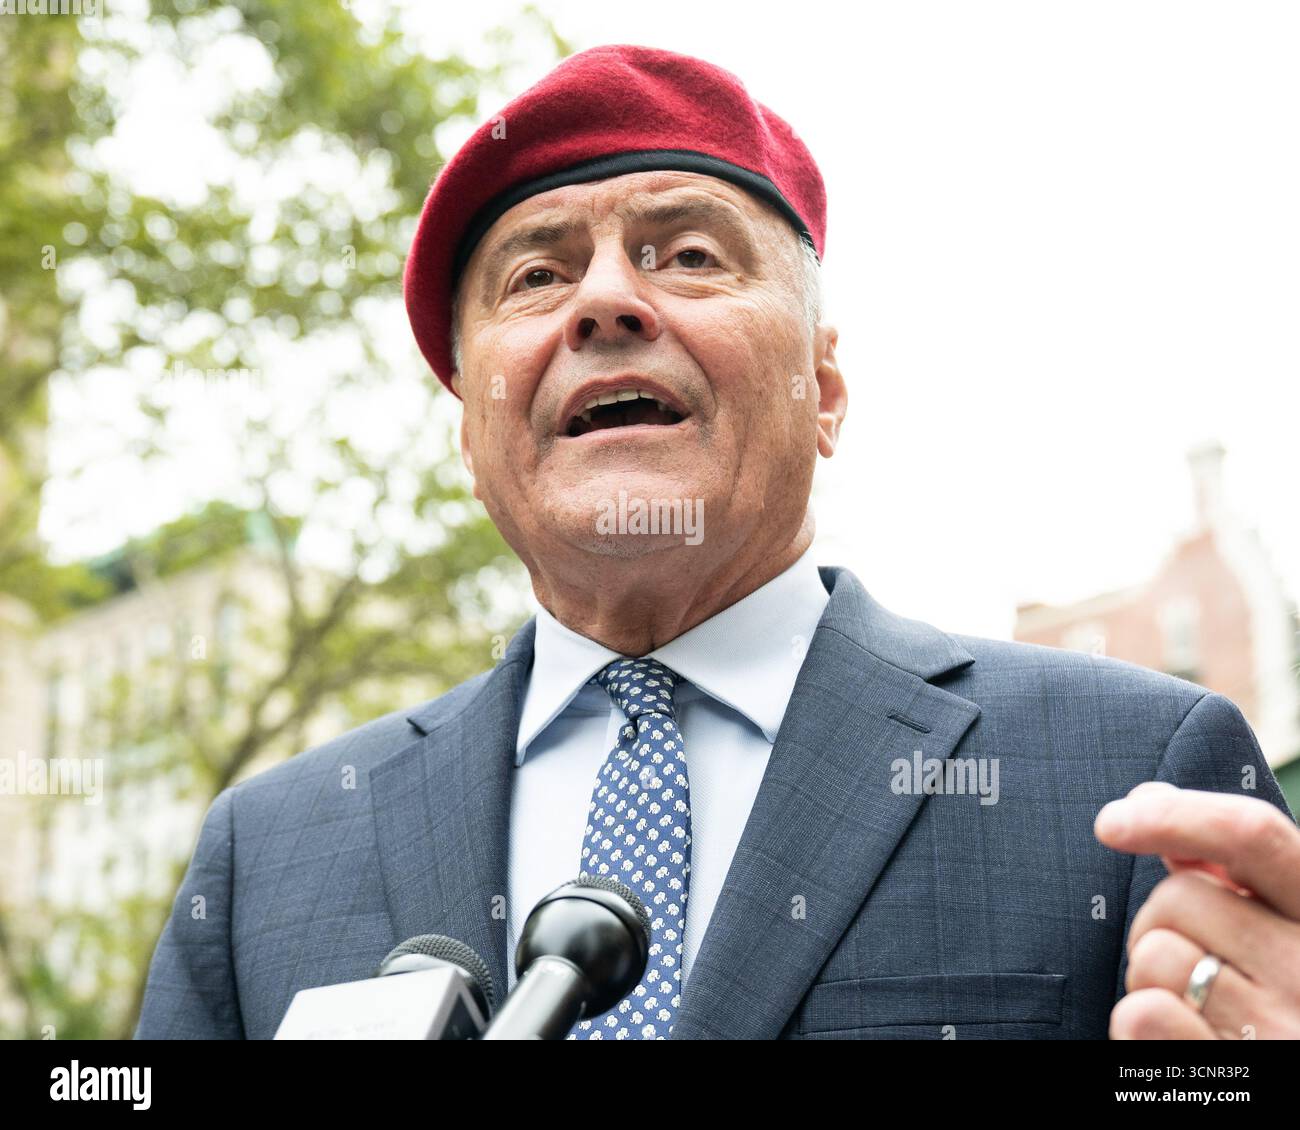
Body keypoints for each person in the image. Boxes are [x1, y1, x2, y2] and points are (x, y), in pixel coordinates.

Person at [136, 44, 1299, 1041]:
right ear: (471, 438)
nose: (604, 303)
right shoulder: (266, 856)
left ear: (826, 389)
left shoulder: (1132, 769)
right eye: (535, 275)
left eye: (686, 254)